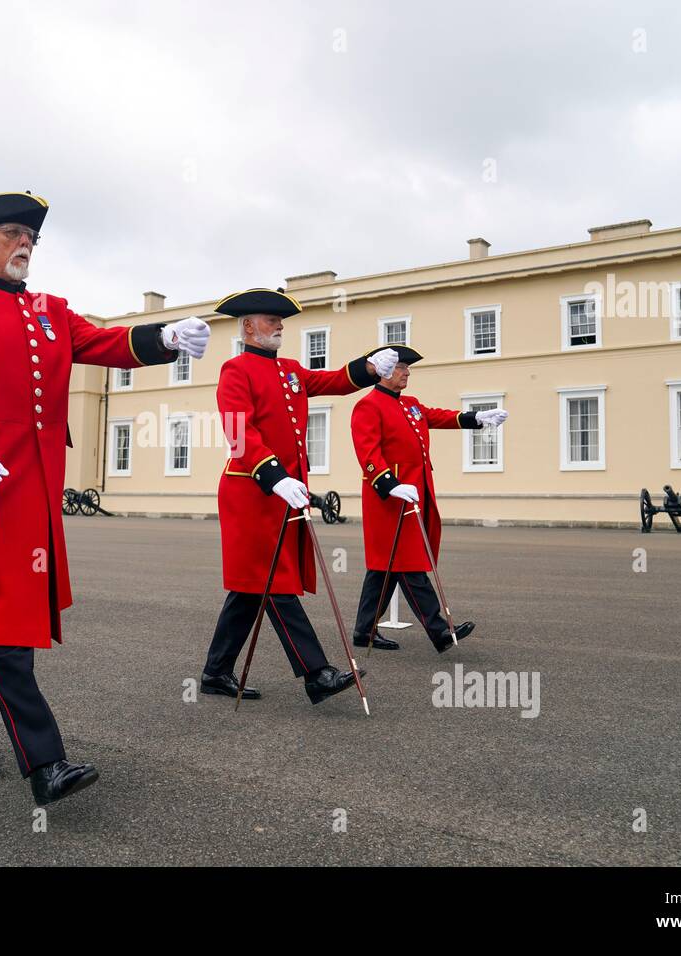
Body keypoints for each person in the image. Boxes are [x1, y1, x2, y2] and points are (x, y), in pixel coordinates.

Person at [0, 191, 211, 805]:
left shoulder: (52, 309)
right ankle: (45, 764)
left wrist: (166, 338)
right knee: (4, 626)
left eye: (32, 237)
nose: (25, 244)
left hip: (34, 490)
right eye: (14, 233)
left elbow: (105, 344)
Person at [200, 287, 399, 705]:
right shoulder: (235, 370)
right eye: (271, 320)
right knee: (274, 581)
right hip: (251, 490)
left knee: (252, 586)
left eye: (280, 320)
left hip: (284, 492)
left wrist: (367, 367)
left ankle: (215, 672)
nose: (279, 327)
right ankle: (316, 673)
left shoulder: (290, 369)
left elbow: (331, 381)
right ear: (249, 327)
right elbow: (239, 432)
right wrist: (273, 474)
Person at [349, 345, 508, 652]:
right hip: (389, 498)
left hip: (415, 494)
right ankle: (440, 631)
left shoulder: (410, 404)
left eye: (408, 368)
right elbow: (367, 452)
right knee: (409, 563)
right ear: (383, 371)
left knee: (386, 568)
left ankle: (363, 630)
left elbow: (441, 416)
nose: (407, 372)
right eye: (400, 368)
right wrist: (389, 483)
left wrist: (478, 418)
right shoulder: (368, 406)